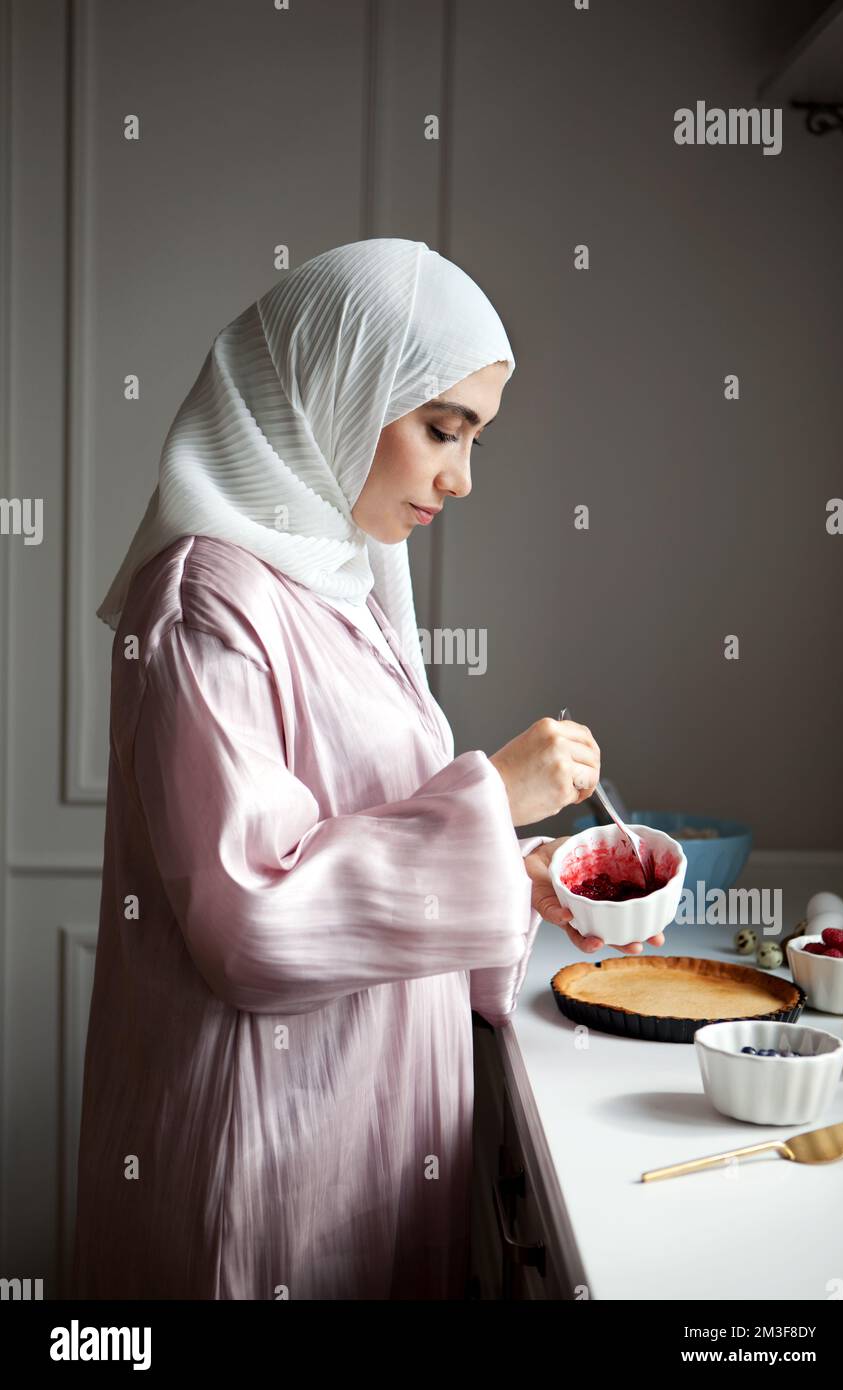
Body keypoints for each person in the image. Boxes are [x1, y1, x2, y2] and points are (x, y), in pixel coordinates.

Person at [71, 238, 661, 1302]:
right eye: (441, 429)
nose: (460, 476)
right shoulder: (205, 601)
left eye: (474, 438)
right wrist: (492, 797)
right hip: (265, 1142)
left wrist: (517, 871)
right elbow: (247, 917)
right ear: (330, 391)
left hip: (375, 1125)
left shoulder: (345, 581)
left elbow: (376, 822)